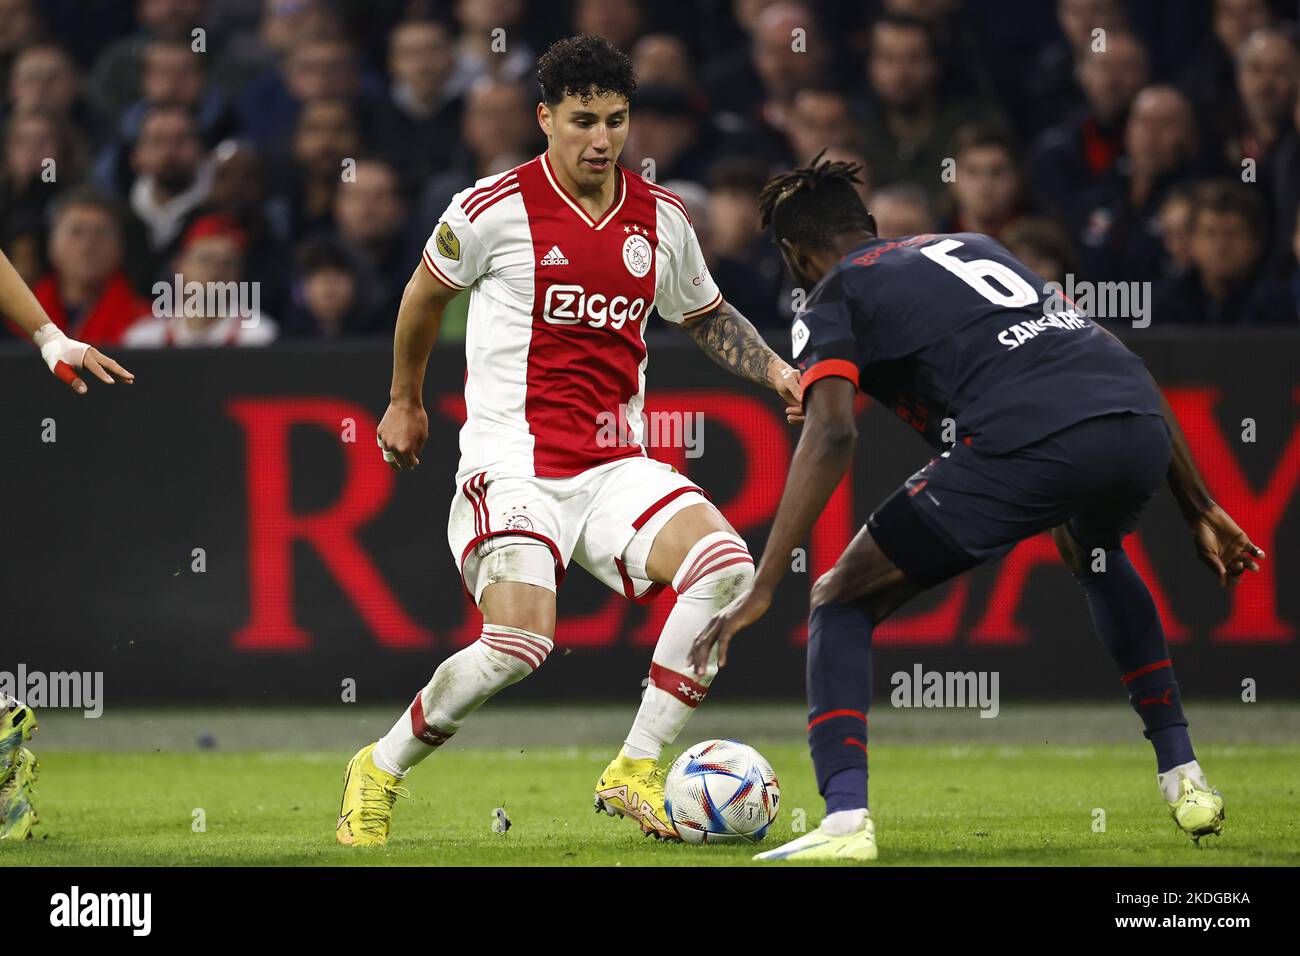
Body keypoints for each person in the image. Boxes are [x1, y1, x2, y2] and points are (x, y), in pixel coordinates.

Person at [690, 153, 1265, 861]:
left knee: (839, 598)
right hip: (1137, 419)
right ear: (869, 224)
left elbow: (833, 432)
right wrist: (1199, 503)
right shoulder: (975, 246)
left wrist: (766, 580)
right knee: (1092, 549)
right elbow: (1111, 350)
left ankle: (844, 824)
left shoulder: (832, 294)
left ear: (793, 254)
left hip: (1032, 440)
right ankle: (1185, 776)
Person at [335, 34, 802, 848]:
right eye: (584, 120)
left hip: (615, 463)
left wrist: (777, 373)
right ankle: (378, 766)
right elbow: (421, 295)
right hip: (512, 462)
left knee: (726, 567)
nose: (602, 139)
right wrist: (404, 400)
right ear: (544, 118)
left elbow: (706, 315)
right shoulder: (491, 208)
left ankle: (635, 769)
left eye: (617, 121)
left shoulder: (661, 220)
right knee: (519, 643)